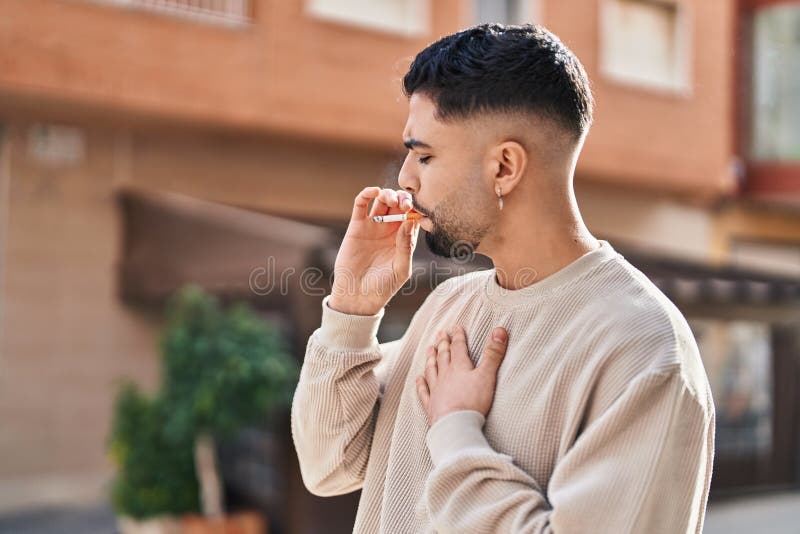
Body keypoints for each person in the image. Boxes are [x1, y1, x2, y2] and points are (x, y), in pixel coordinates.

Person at [291, 23, 715, 533]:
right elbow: (327, 468)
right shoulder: (448, 308)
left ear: (505, 167)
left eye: (425, 156)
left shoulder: (643, 350)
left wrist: (456, 432)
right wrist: (351, 310)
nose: (405, 179)